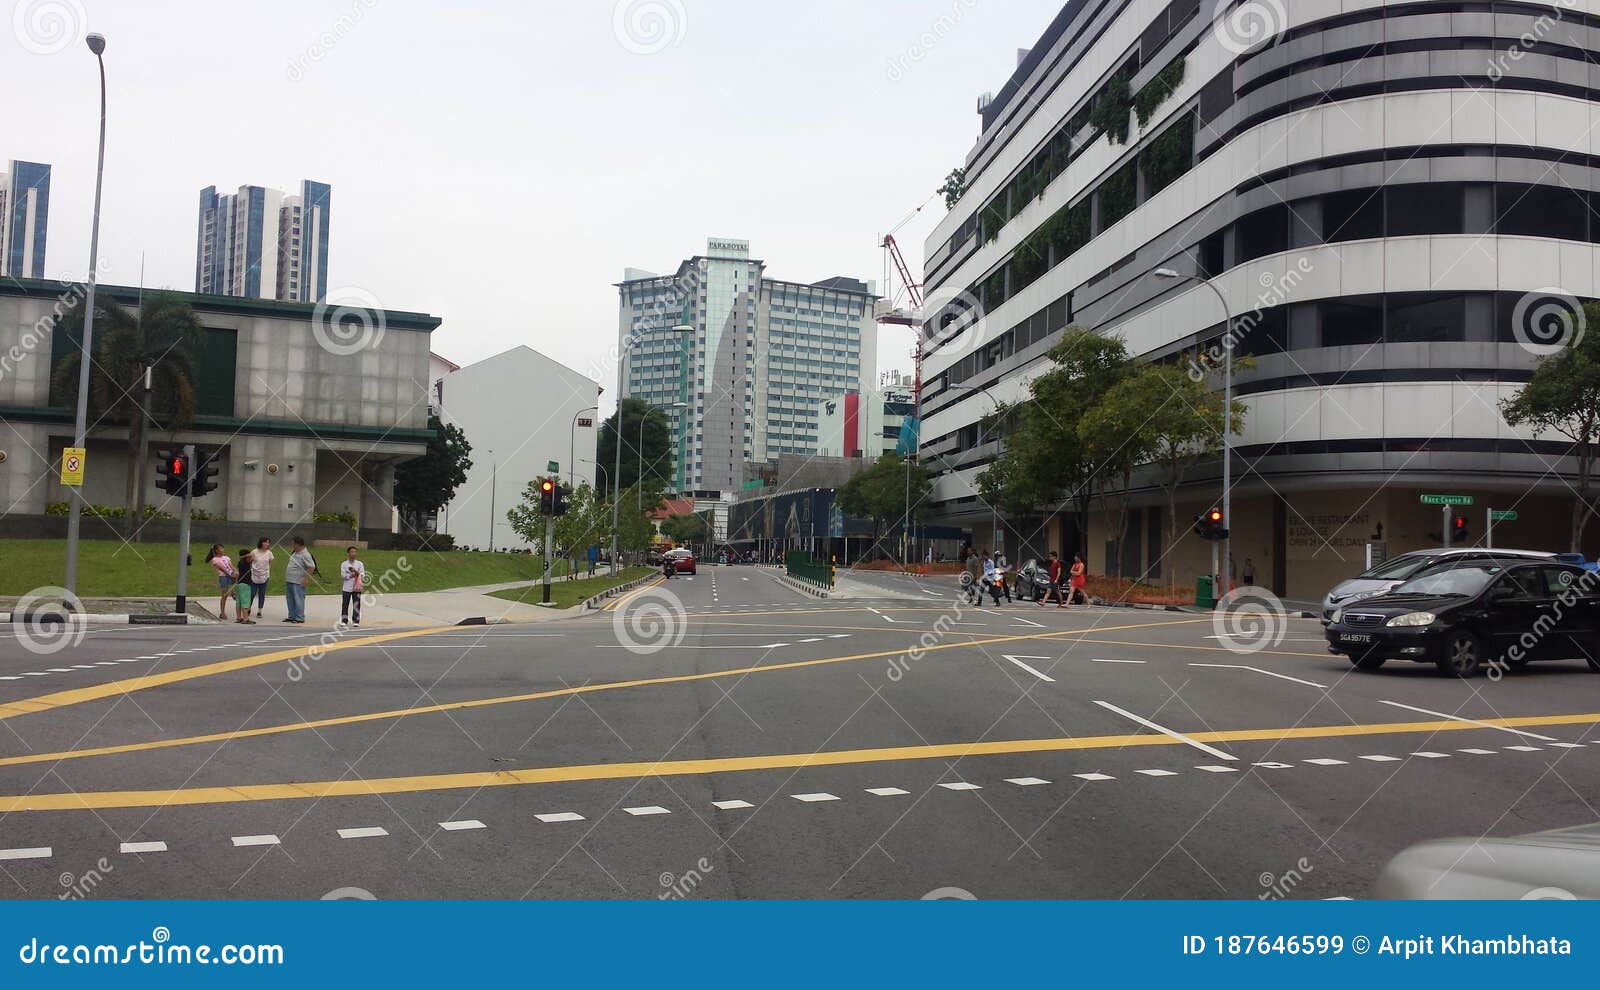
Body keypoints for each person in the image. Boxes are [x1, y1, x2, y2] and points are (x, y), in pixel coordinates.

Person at [284, 537, 316, 624]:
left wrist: (306, 578)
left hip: (298, 581)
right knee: (290, 599)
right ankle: (292, 616)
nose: (292, 545)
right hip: (290, 580)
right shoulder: (295, 553)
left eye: (293, 543)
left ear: (297, 544)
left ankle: (299, 617)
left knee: (298, 599)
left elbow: (311, 567)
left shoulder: (305, 554)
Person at [207, 544, 237, 622]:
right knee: (224, 595)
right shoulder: (214, 560)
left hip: (231, 575)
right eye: (221, 549)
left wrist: (236, 572)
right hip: (224, 577)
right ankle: (222, 612)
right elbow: (223, 569)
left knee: (232, 589)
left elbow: (231, 566)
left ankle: (233, 592)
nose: (223, 550)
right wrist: (231, 576)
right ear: (216, 550)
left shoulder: (226, 558)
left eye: (223, 548)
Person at [340, 546, 366, 626]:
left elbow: (362, 574)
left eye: (355, 552)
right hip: (347, 587)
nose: (353, 554)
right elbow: (343, 575)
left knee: (356, 604)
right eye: (351, 552)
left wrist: (356, 573)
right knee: (345, 604)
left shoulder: (359, 563)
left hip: (356, 587)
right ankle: (344, 620)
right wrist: (351, 575)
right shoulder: (344, 564)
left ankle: (356, 621)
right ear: (348, 553)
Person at [248, 537, 274, 619]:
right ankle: (248, 608)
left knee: (262, 594)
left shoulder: (269, 553)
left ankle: (259, 611)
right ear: (261, 543)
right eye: (265, 542)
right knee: (252, 593)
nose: (267, 544)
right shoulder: (254, 552)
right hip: (254, 575)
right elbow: (250, 562)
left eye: (268, 542)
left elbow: (269, 563)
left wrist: (265, 571)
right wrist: (252, 570)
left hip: (264, 576)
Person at [233, 549, 257, 623]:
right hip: (245, 585)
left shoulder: (240, 562)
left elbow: (252, 558)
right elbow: (253, 557)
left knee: (239, 602)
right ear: (246, 556)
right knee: (245, 602)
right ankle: (245, 618)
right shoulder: (245, 562)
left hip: (239, 584)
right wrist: (245, 556)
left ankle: (239, 617)